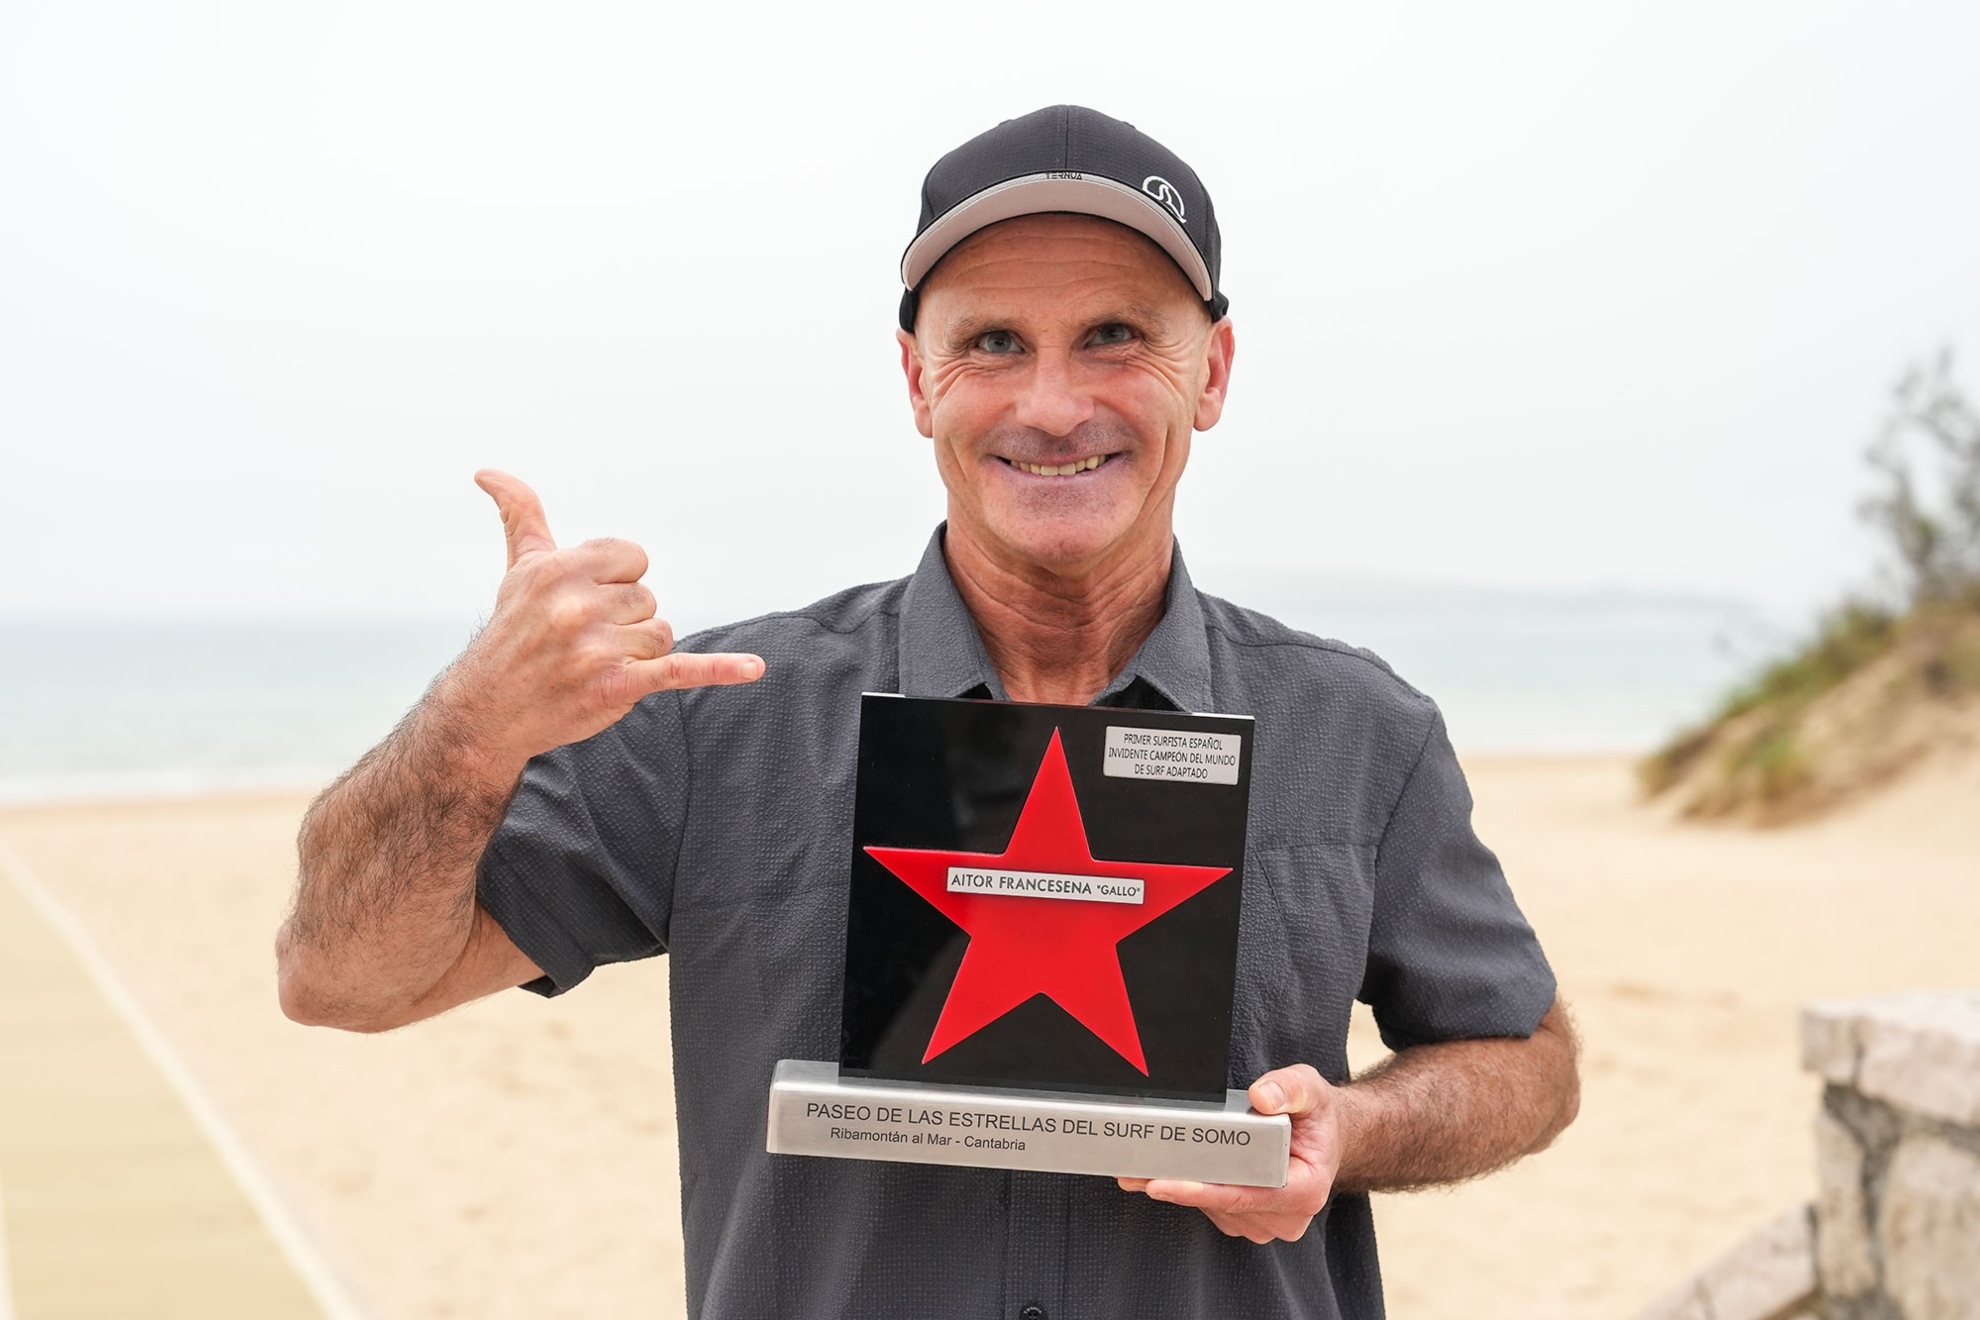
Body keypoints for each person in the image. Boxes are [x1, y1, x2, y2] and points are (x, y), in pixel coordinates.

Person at [278, 105, 1579, 1319]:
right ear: (917, 381)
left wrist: (1352, 1132)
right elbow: (340, 980)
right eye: (993, 343)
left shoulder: (1358, 731)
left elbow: (1525, 1056)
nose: (1053, 406)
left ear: (1213, 370)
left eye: (1115, 335)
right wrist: (474, 727)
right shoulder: (718, 721)